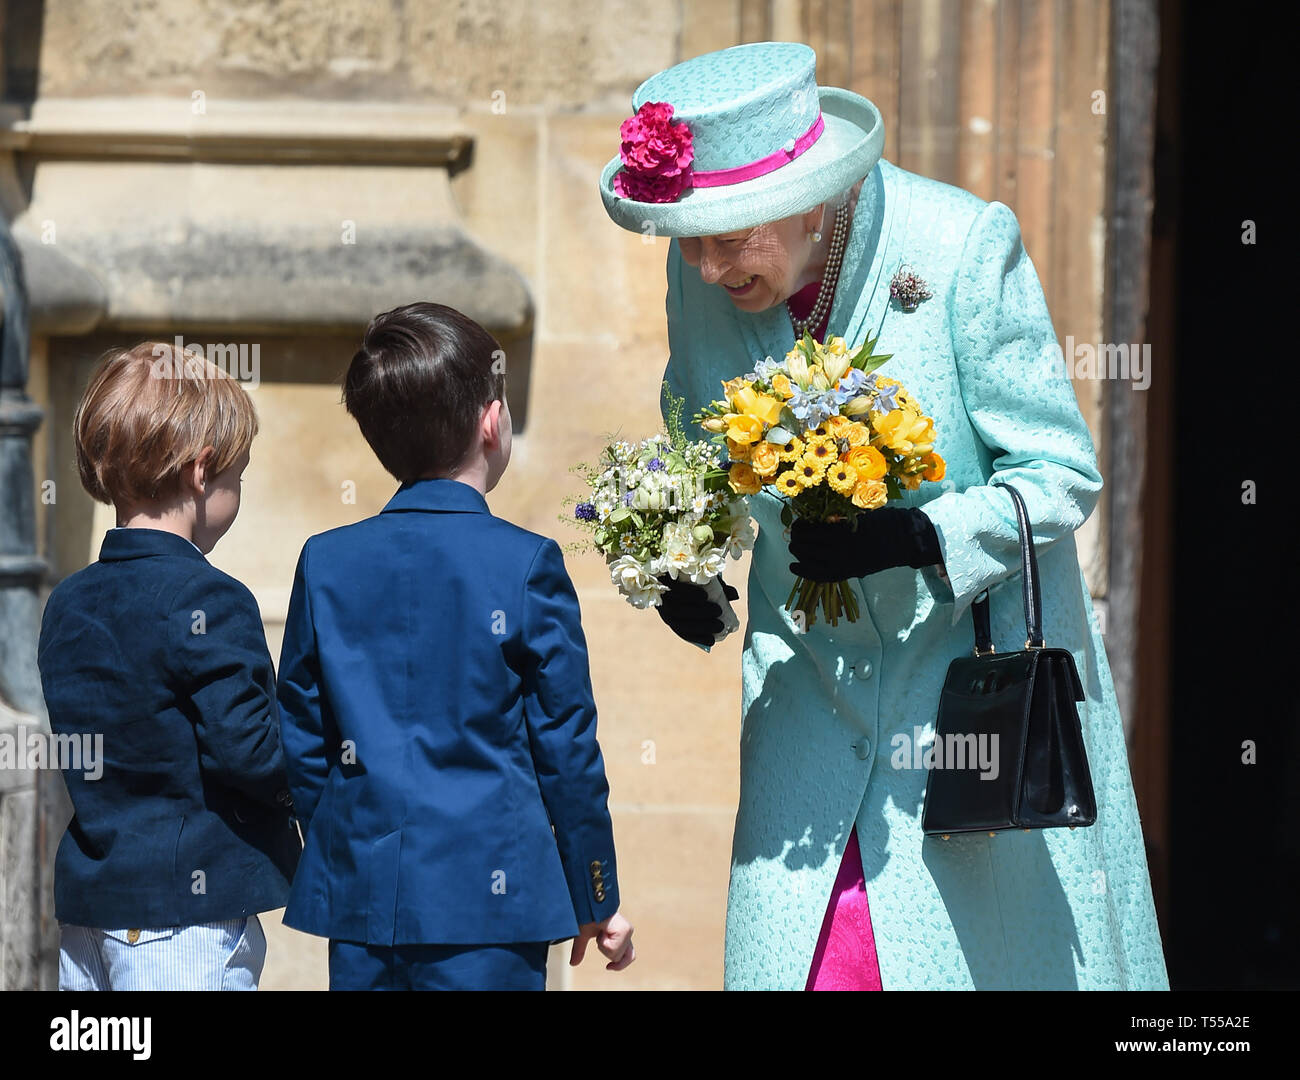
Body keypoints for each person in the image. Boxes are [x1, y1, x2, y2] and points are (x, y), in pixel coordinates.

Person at [599, 41, 1169, 990]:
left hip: (959, 712)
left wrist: (919, 535)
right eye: (686, 238)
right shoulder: (697, 274)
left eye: (727, 235)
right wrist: (685, 560)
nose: (701, 266)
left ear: (811, 198)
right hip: (804, 716)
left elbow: (1061, 473)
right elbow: (695, 430)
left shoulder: (959, 247)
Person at [276, 302, 633, 990]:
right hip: (491, 912)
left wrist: (347, 851)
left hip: (365, 904)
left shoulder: (326, 561)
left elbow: (302, 733)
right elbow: (566, 749)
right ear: (491, 423)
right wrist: (597, 893)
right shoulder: (527, 563)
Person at [37, 341, 300, 991]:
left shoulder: (68, 601)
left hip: (90, 917)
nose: (235, 491)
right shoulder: (210, 596)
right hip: (184, 922)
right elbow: (253, 754)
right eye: (237, 476)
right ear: (202, 471)